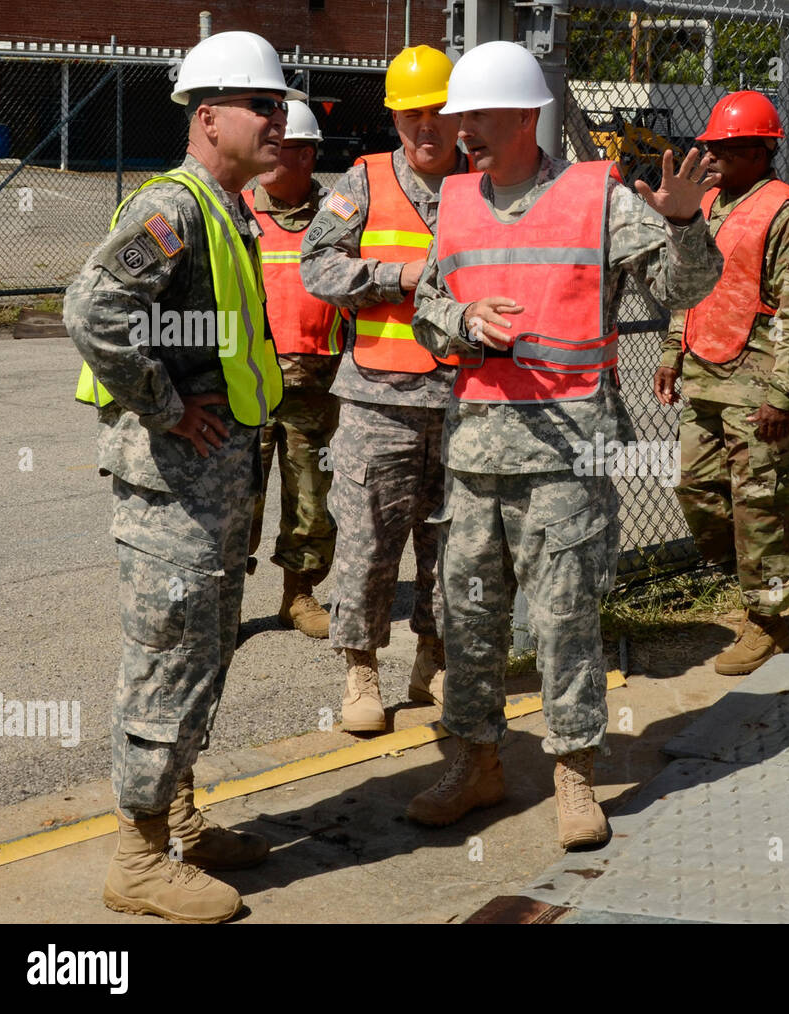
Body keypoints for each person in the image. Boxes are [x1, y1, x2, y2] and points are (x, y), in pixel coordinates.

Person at [405, 40, 723, 849]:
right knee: (469, 617)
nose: (461, 130)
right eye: (457, 116)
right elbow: (427, 309)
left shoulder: (598, 195)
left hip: (568, 452)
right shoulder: (456, 201)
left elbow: (681, 291)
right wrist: (462, 321)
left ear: (523, 115)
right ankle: (475, 762)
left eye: (475, 116)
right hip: (476, 450)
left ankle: (574, 777)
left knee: (564, 618)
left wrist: (682, 223)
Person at [67, 30, 297, 922]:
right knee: (167, 659)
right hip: (173, 485)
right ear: (209, 118)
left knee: (200, 653)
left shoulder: (227, 207)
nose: (280, 119)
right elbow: (95, 308)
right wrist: (164, 405)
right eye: (263, 106)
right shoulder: (174, 209)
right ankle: (138, 854)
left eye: (278, 105)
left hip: (212, 484)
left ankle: (181, 822)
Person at [300, 45, 468, 732]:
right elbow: (316, 265)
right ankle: (360, 670)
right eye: (410, 115)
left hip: (464, 400)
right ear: (394, 118)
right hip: (379, 399)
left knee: (455, 545)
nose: (424, 128)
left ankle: (434, 659)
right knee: (368, 543)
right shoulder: (365, 180)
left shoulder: (484, 186)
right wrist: (394, 277)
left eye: (436, 113)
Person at [653, 91, 789, 676]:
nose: (713, 156)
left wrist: (785, 395)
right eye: (711, 146)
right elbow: (688, 286)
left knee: (761, 506)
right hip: (704, 372)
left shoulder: (788, 212)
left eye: (727, 148)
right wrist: (671, 351)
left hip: (759, 385)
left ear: (761, 151)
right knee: (698, 491)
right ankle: (757, 586)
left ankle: (766, 620)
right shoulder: (705, 204)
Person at [246, 100, 342, 639]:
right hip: (247, 385)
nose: (266, 159)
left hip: (315, 386)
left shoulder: (337, 215)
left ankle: (298, 597)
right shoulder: (237, 211)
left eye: (279, 150)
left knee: (310, 499)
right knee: (239, 497)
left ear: (306, 155)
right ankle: (223, 602)